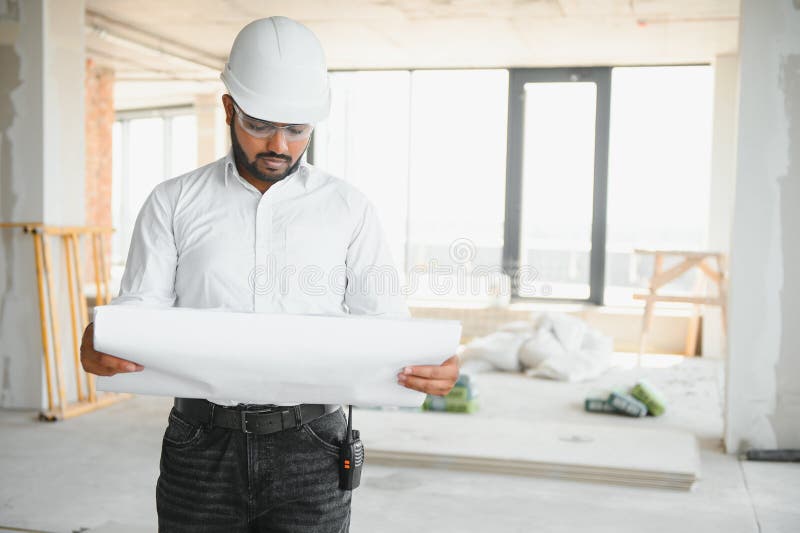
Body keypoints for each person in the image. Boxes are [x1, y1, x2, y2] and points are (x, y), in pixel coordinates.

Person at [79, 16, 459, 533]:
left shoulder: (349, 208)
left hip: (314, 444)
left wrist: (428, 364)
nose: (278, 144)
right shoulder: (174, 202)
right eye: (260, 125)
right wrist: (106, 340)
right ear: (229, 108)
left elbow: (385, 326)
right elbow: (140, 312)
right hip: (200, 444)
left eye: (297, 129)